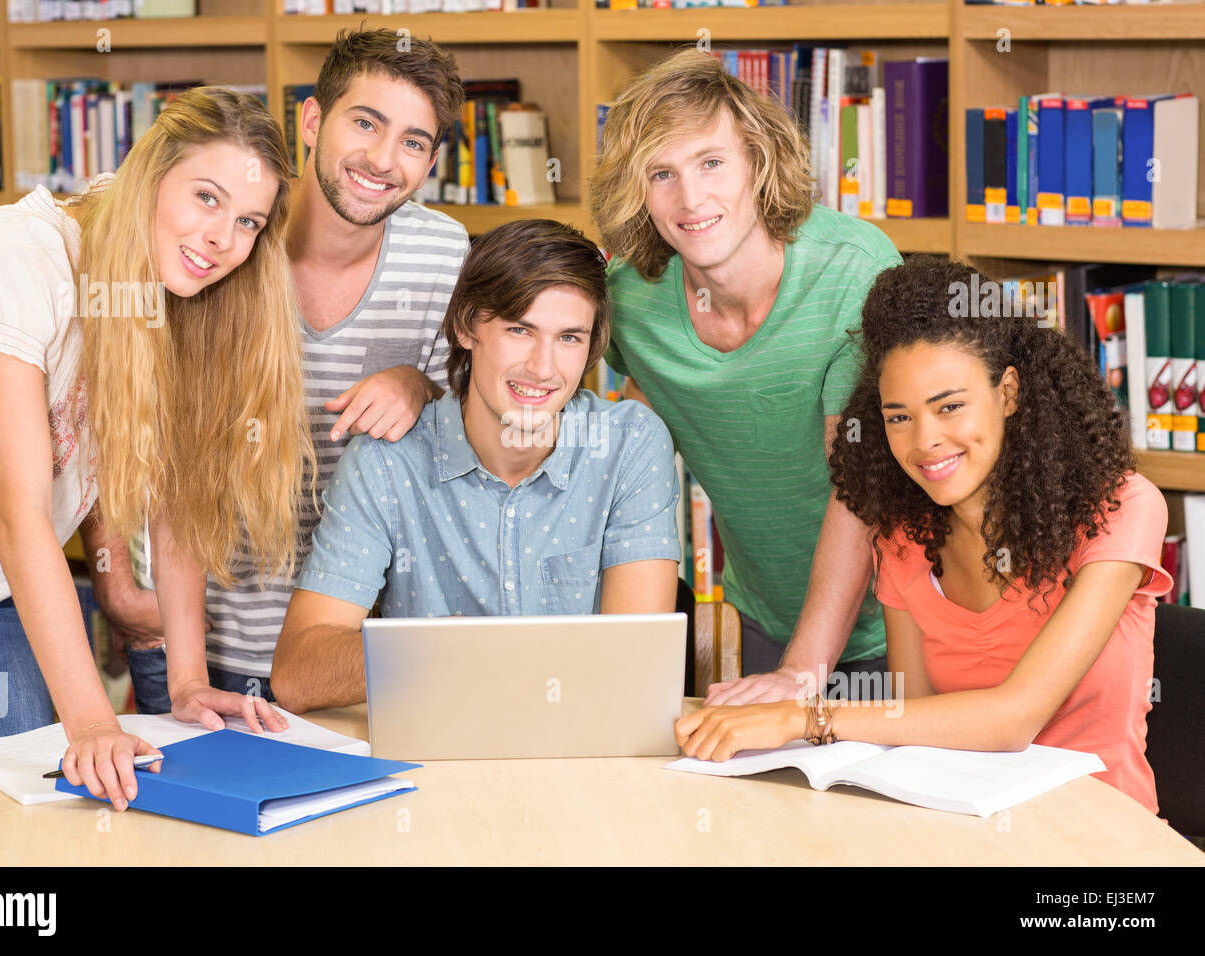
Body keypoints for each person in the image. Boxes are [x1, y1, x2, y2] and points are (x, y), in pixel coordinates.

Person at [0, 87, 310, 808]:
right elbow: (21, 515)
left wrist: (185, 681)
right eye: (207, 197)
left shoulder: (181, 293)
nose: (223, 239)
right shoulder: (20, 254)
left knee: (21, 812)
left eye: (248, 221)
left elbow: (176, 494)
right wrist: (91, 721)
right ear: (151, 174)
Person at [676, 256, 1169, 814]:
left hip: (1098, 842)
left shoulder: (1120, 508)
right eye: (898, 417)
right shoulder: (904, 536)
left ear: (1008, 393)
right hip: (963, 827)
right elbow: (917, 720)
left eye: (950, 407)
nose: (925, 441)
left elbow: (1014, 717)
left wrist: (802, 717)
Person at [83, 28, 471, 709]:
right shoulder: (220, 235)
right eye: (366, 123)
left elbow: (463, 442)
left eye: (413, 142)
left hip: (344, 649)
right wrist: (116, 585)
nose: (383, 160)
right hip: (189, 634)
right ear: (313, 121)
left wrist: (421, 385)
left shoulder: (443, 253)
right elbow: (114, 397)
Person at [588, 49, 902, 705]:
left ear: (756, 161)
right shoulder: (632, 300)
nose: (691, 198)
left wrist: (804, 673)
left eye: (711, 162)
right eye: (661, 174)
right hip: (762, 616)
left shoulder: (852, 268)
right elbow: (630, 409)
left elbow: (858, 485)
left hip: (900, 625)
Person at [269, 219, 682, 713]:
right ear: (466, 327)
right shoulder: (386, 461)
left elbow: (634, 669)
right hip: (434, 764)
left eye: (569, 338)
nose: (543, 367)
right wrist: (439, 652)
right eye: (518, 330)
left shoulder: (628, 445)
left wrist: (479, 657)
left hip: (582, 759)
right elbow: (296, 674)